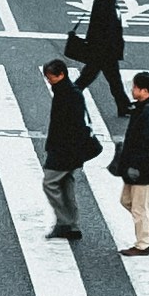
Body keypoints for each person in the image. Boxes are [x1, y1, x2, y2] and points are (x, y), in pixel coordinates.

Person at [110, 70, 149, 256]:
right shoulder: (143, 108)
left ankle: (142, 245)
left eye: (135, 87)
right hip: (135, 169)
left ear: (144, 90)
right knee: (126, 201)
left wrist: (135, 166)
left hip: (144, 171)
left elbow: (147, 145)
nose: (132, 90)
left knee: (139, 208)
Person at [41, 54, 100, 241]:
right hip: (69, 151)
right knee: (66, 185)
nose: (47, 80)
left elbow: (75, 126)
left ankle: (64, 222)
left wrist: (63, 150)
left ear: (60, 75)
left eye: (49, 76)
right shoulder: (66, 91)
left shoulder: (68, 94)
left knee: (50, 183)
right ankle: (72, 225)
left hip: (64, 151)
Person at [74, 0, 132, 116]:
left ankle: (124, 106)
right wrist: (107, 47)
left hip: (106, 50)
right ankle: (68, 97)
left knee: (113, 80)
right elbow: (100, 26)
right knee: (87, 79)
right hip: (102, 50)